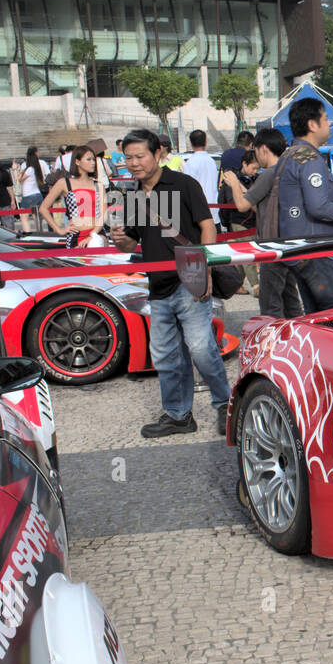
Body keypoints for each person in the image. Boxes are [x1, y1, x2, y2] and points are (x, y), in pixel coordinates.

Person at [109, 129, 230, 438]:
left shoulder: (183, 184)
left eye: (140, 156)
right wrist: (120, 240)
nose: (133, 163)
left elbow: (207, 227)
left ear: (158, 153)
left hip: (189, 281)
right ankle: (178, 415)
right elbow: (131, 244)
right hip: (157, 287)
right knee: (165, 355)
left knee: (201, 348)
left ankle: (227, 405)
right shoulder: (133, 194)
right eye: (128, 158)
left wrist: (203, 272)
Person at [274, 98, 333, 309]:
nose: (329, 124)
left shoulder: (288, 156)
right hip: (318, 252)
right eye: (326, 119)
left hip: (298, 250)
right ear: (312, 125)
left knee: (317, 322)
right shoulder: (309, 159)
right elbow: (318, 206)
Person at [221, 128, 305, 317]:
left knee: (270, 303)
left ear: (264, 149)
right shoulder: (290, 171)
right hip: (291, 243)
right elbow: (259, 206)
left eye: (256, 149)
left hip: (272, 245)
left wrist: (234, 184)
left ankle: (272, 341)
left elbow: (242, 205)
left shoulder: (269, 174)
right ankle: (299, 335)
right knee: (290, 298)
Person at [39, 144, 105, 246]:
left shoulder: (99, 185)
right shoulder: (64, 183)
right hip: (76, 236)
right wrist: (59, 230)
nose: (93, 163)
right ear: (77, 162)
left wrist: (92, 235)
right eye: (88, 159)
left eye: (93, 159)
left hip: (97, 234)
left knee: (95, 245)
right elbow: (43, 208)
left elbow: (102, 214)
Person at [183, 129, 220, 227]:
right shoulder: (211, 161)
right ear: (205, 142)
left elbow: (188, 189)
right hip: (214, 209)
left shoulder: (190, 163)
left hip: (198, 214)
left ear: (191, 143)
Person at [17, 146, 47, 235]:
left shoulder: (29, 169)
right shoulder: (36, 167)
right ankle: (40, 234)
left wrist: (15, 170)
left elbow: (19, 179)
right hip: (37, 195)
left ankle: (27, 235)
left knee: (24, 216)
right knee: (36, 217)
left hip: (28, 195)